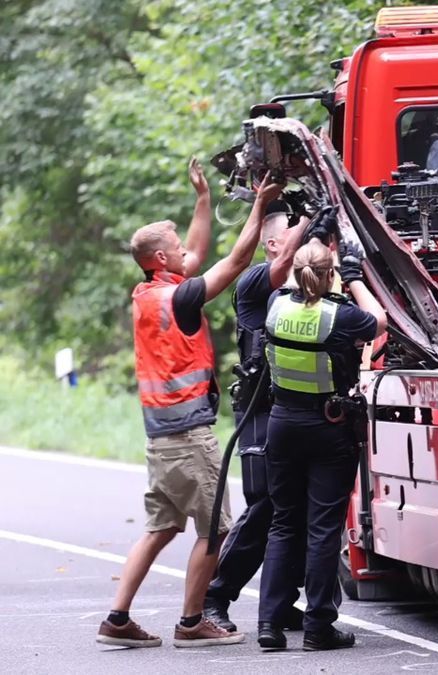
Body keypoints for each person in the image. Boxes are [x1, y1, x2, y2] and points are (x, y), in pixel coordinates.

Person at [96, 159, 271, 648]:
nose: (185, 254)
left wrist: (203, 200)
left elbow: (196, 251)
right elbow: (234, 263)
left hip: (159, 437)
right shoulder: (181, 300)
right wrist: (259, 205)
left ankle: (116, 619)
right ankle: (193, 623)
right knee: (215, 529)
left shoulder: (149, 292)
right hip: (190, 437)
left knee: (159, 528)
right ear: (159, 259)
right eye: (174, 250)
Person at [256, 235, 387, 651]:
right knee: (323, 527)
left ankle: (269, 625)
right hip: (328, 428)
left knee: (282, 523)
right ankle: (317, 627)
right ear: (330, 274)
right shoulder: (341, 317)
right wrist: (355, 277)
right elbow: (379, 320)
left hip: (282, 424)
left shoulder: (275, 306)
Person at [202, 196, 310, 632]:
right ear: (271, 244)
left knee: (296, 507)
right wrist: (310, 221)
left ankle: (281, 604)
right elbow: (284, 264)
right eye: (294, 233)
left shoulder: (310, 286)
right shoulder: (252, 283)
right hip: (259, 409)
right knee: (265, 501)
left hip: (297, 408)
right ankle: (215, 596)